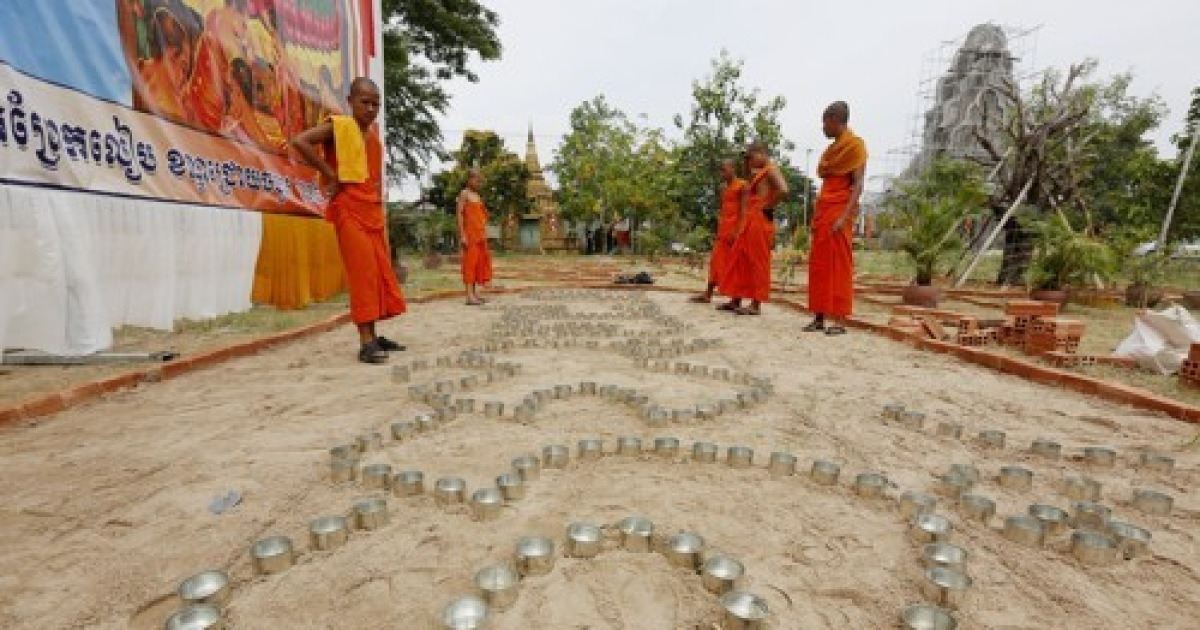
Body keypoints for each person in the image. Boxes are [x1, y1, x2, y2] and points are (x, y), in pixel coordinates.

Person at [291, 78, 407, 364]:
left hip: (371, 210)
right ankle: (365, 342)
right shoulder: (340, 127)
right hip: (349, 209)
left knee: (378, 273)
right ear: (350, 101)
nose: (370, 108)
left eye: (375, 104)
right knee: (362, 274)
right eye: (364, 102)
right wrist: (330, 174)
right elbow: (300, 141)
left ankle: (374, 334)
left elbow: (373, 180)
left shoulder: (374, 139)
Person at [805, 101, 867, 335]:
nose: (822, 128)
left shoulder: (855, 146)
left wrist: (844, 215)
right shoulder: (830, 152)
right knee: (819, 266)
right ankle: (819, 316)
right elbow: (826, 180)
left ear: (834, 119)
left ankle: (840, 320)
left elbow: (858, 184)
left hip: (840, 211)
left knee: (839, 266)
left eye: (824, 122)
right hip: (824, 211)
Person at [718, 142, 789, 315]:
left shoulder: (771, 169)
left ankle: (756, 304)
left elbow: (784, 190)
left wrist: (768, 207)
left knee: (757, 261)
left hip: (759, 220)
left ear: (761, 153)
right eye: (747, 158)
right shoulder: (757, 173)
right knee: (740, 258)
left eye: (751, 157)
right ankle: (736, 299)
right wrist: (746, 162)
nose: (748, 161)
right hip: (751, 220)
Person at [690, 159, 746, 303]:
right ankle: (708, 294)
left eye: (724, 169)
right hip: (723, 230)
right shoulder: (723, 188)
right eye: (720, 170)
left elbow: (744, 211)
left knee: (734, 265)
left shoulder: (742, 186)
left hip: (735, 231)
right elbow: (724, 209)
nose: (722, 173)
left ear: (733, 168)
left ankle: (736, 299)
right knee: (716, 262)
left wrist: (739, 231)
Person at [457, 169, 493, 305]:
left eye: (480, 181)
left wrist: (485, 232)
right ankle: (469, 296)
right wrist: (462, 235)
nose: (479, 183)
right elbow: (459, 214)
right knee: (469, 264)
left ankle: (474, 294)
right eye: (477, 180)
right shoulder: (464, 194)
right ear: (470, 179)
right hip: (470, 235)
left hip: (480, 235)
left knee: (478, 264)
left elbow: (482, 216)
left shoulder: (477, 196)